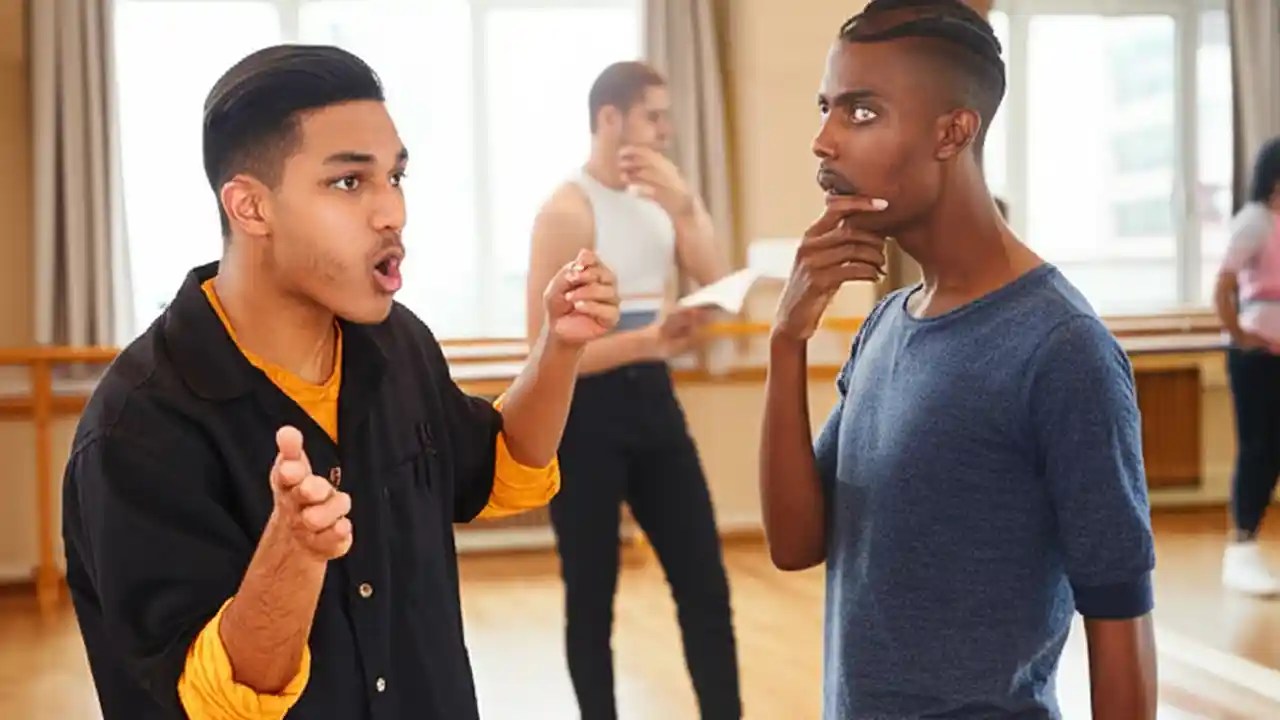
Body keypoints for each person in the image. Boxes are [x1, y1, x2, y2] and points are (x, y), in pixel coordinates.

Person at [61, 44, 620, 720]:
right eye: (349, 183)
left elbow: (498, 468)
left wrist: (558, 348)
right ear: (250, 207)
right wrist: (293, 553)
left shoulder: (397, 342)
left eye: (396, 176)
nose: (393, 212)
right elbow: (207, 703)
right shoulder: (138, 429)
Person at [759, 2, 1158, 718]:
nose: (822, 141)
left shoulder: (1063, 348)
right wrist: (786, 343)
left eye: (860, 112)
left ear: (953, 131)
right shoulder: (887, 324)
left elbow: (1120, 616)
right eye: (826, 108)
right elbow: (795, 543)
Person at [525, 61, 741, 719]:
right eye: (653, 115)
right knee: (592, 599)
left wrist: (684, 206)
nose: (665, 131)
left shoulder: (655, 203)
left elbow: (716, 281)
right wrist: (651, 341)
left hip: (655, 401)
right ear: (610, 119)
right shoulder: (568, 209)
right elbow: (542, 350)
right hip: (584, 415)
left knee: (704, 582)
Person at [1212, 135, 1280, 597]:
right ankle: (1241, 546)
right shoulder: (1254, 222)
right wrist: (1241, 335)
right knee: (1259, 448)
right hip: (1256, 357)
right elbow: (1222, 286)